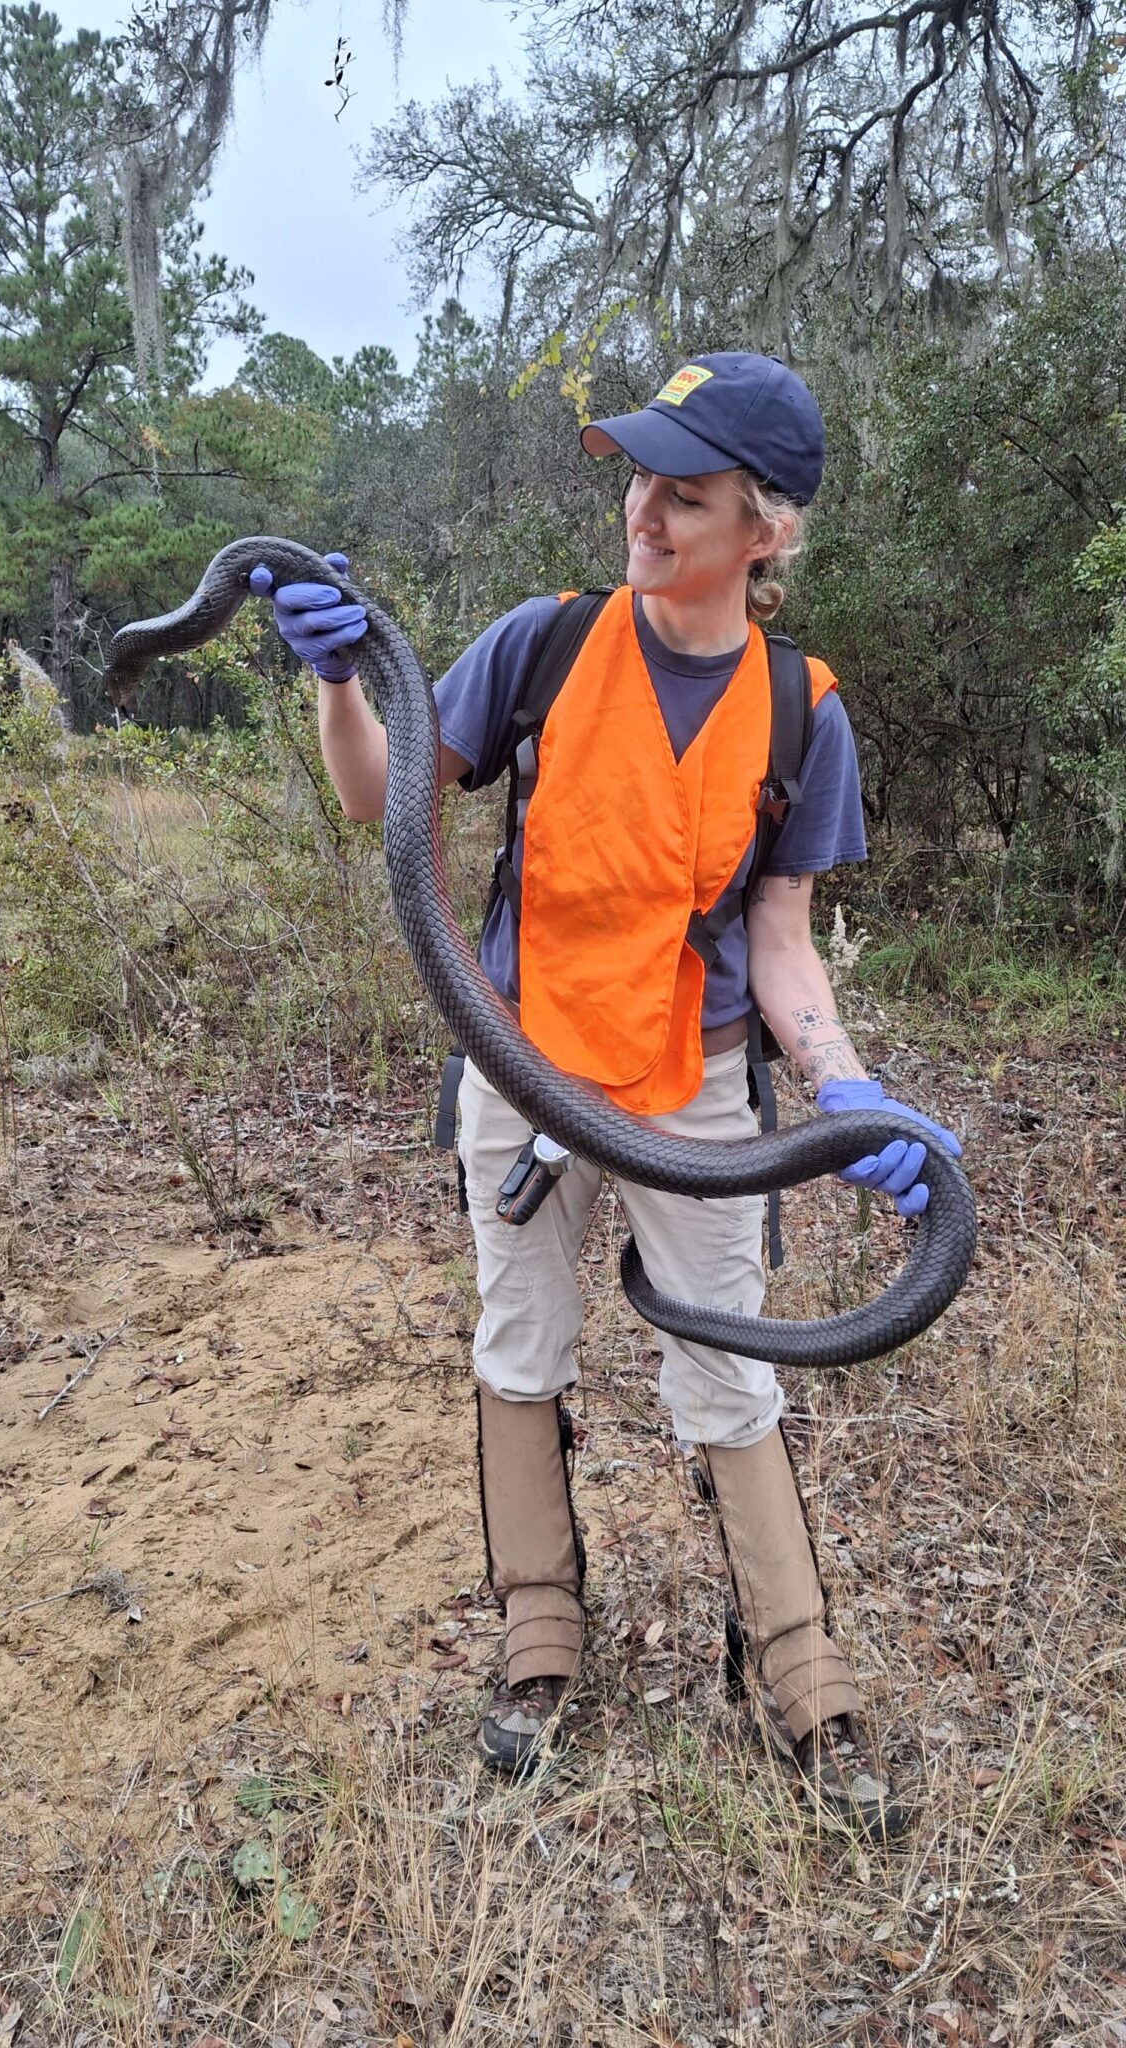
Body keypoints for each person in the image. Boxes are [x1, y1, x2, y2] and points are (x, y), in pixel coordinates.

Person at [249, 352, 961, 1841]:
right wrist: (341, 679)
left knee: (730, 1370)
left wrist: (851, 1094)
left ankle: (801, 1679)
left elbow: (782, 945)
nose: (642, 511)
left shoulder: (796, 711)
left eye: (684, 493)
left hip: (692, 1093)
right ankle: (538, 1645)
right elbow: (385, 802)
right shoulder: (547, 646)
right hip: (523, 1069)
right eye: (637, 477)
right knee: (522, 1346)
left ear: (764, 529)